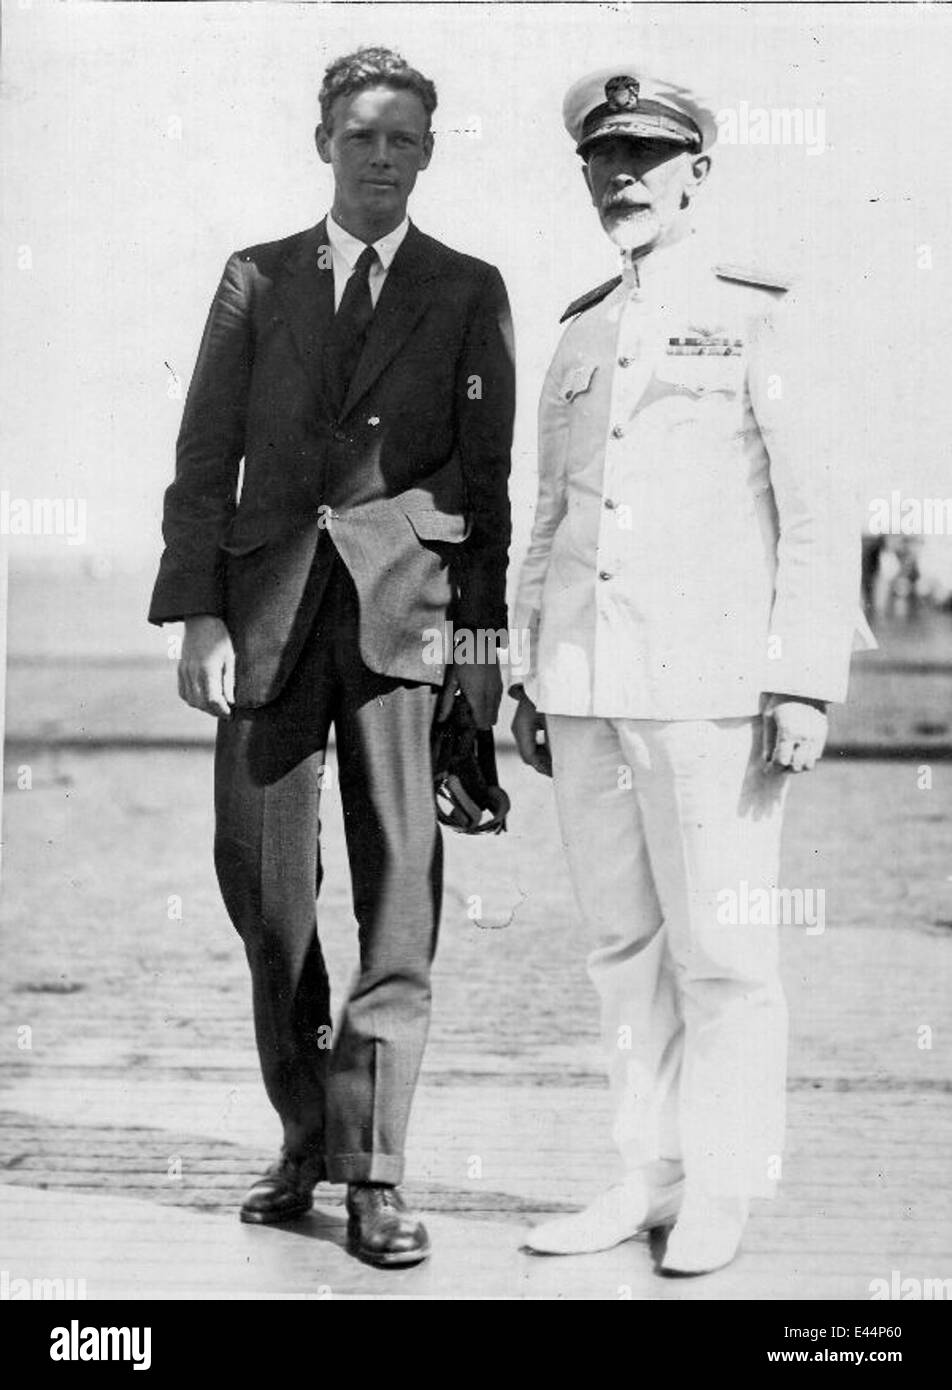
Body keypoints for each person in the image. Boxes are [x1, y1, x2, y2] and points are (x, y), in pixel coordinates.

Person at [148, 46, 514, 1268]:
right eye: (360, 134)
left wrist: (476, 664)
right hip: (263, 623)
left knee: (398, 897)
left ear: (428, 152)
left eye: (403, 138)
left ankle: (371, 1172)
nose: (380, 156)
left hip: (404, 628)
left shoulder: (468, 290)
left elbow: (489, 496)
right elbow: (205, 462)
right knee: (265, 895)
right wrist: (199, 616)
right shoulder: (255, 279)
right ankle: (304, 1136)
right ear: (323, 144)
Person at [509, 66, 872, 1274]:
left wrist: (803, 679)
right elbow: (550, 517)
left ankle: (718, 1186)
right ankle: (647, 1171)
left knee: (722, 951)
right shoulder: (577, 330)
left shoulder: (758, 308)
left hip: (716, 691)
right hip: (585, 688)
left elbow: (816, 509)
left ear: (695, 173)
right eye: (601, 160)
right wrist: (523, 673)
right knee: (621, 946)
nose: (620, 178)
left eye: (644, 157)